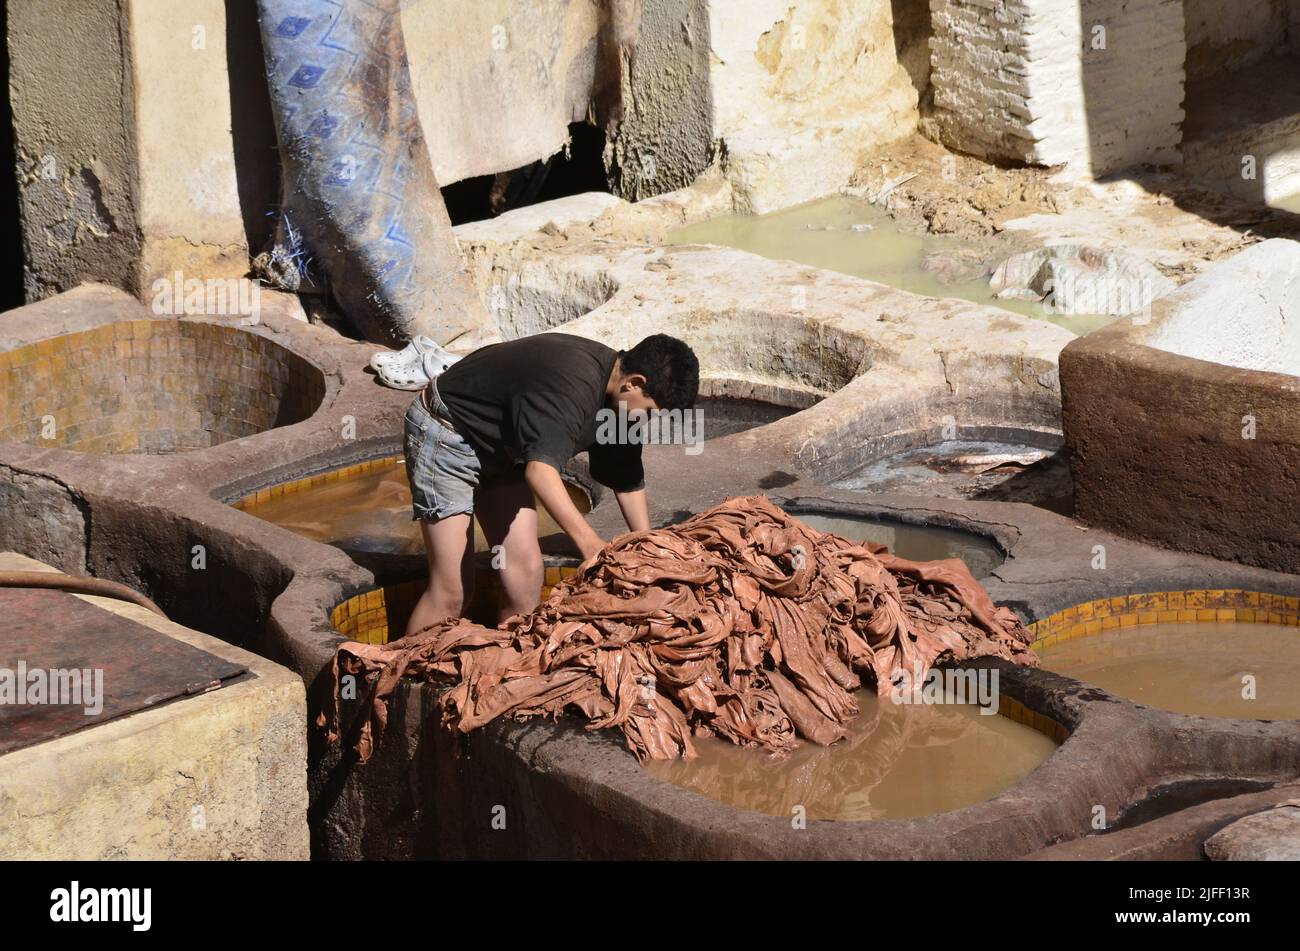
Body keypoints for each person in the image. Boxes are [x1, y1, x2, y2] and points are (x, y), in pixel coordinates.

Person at [401, 332, 699, 635]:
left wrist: (646, 546)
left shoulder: (620, 404)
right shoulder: (572, 385)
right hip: (448, 433)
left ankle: (508, 668)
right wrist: (592, 546)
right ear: (634, 382)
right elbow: (540, 473)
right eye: (649, 411)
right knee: (454, 592)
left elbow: (626, 477)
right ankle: (397, 676)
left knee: (526, 575)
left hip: (503, 451)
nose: (646, 420)